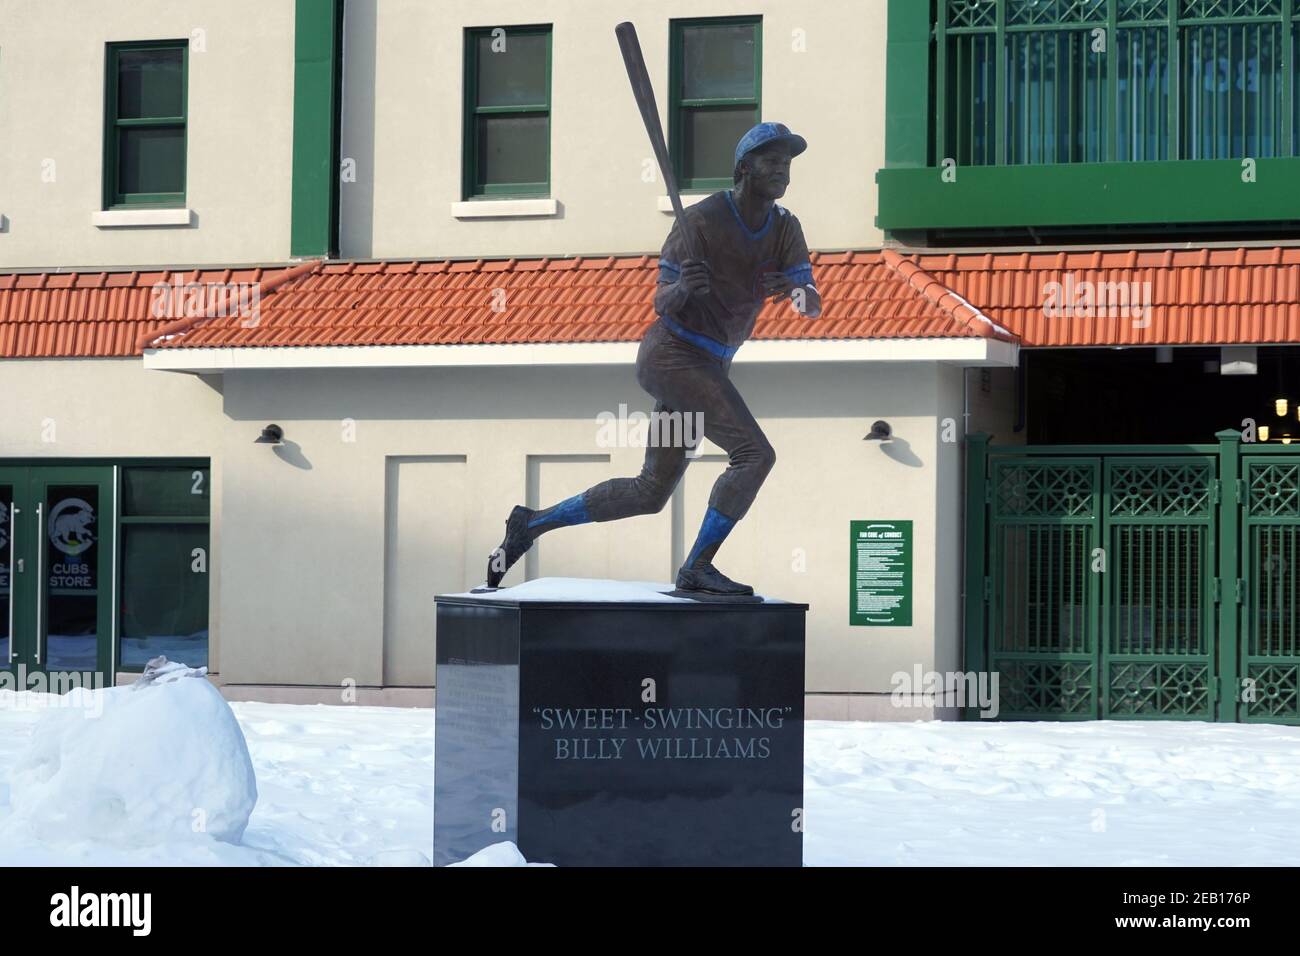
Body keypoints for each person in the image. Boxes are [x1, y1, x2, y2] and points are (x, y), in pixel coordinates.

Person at [485, 122, 821, 597]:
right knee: (754, 455)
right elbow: (660, 301)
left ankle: (530, 524)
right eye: (771, 160)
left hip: (708, 367)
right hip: (672, 355)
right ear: (744, 167)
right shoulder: (700, 222)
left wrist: (795, 291)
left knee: (650, 492)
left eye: (787, 162)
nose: (782, 170)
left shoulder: (785, 226)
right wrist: (686, 287)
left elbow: (812, 304)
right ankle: (697, 568)